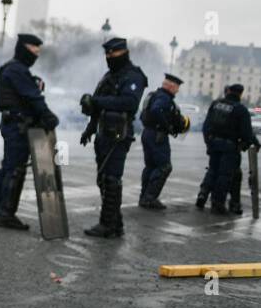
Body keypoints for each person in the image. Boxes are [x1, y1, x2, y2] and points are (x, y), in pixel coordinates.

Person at [0, 33, 59, 229]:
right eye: (34, 50)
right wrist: (49, 116)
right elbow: (33, 98)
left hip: (12, 123)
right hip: (19, 125)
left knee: (8, 167)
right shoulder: (18, 70)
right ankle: (6, 213)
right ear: (25, 48)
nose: (36, 54)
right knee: (15, 170)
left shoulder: (12, 68)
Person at [79, 37, 148, 238]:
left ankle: (107, 224)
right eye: (107, 54)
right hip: (103, 131)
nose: (109, 57)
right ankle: (115, 222)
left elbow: (128, 102)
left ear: (123, 53)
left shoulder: (133, 76)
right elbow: (97, 107)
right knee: (103, 178)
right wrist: (90, 127)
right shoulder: (108, 77)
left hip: (118, 134)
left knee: (111, 178)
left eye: (112, 54)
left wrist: (97, 101)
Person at [201, 83, 259, 216]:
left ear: (228, 91)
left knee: (213, 171)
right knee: (225, 175)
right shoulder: (240, 109)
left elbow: (206, 126)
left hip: (214, 144)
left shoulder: (215, 104)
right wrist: (245, 145)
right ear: (240, 94)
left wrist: (208, 143)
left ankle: (202, 195)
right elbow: (247, 133)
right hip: (229, 147)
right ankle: (218, 203)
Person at [137, 73, 190, 210]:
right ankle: (150, 198)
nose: (177, 90)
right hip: (157, 135)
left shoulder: (154, 94)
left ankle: (144, 197)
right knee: (164, 166)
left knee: (151, 166)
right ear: (171, 86)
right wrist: (168, 127)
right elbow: (156, 110)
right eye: (177, 87)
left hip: (148, 133)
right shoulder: (164, 98)